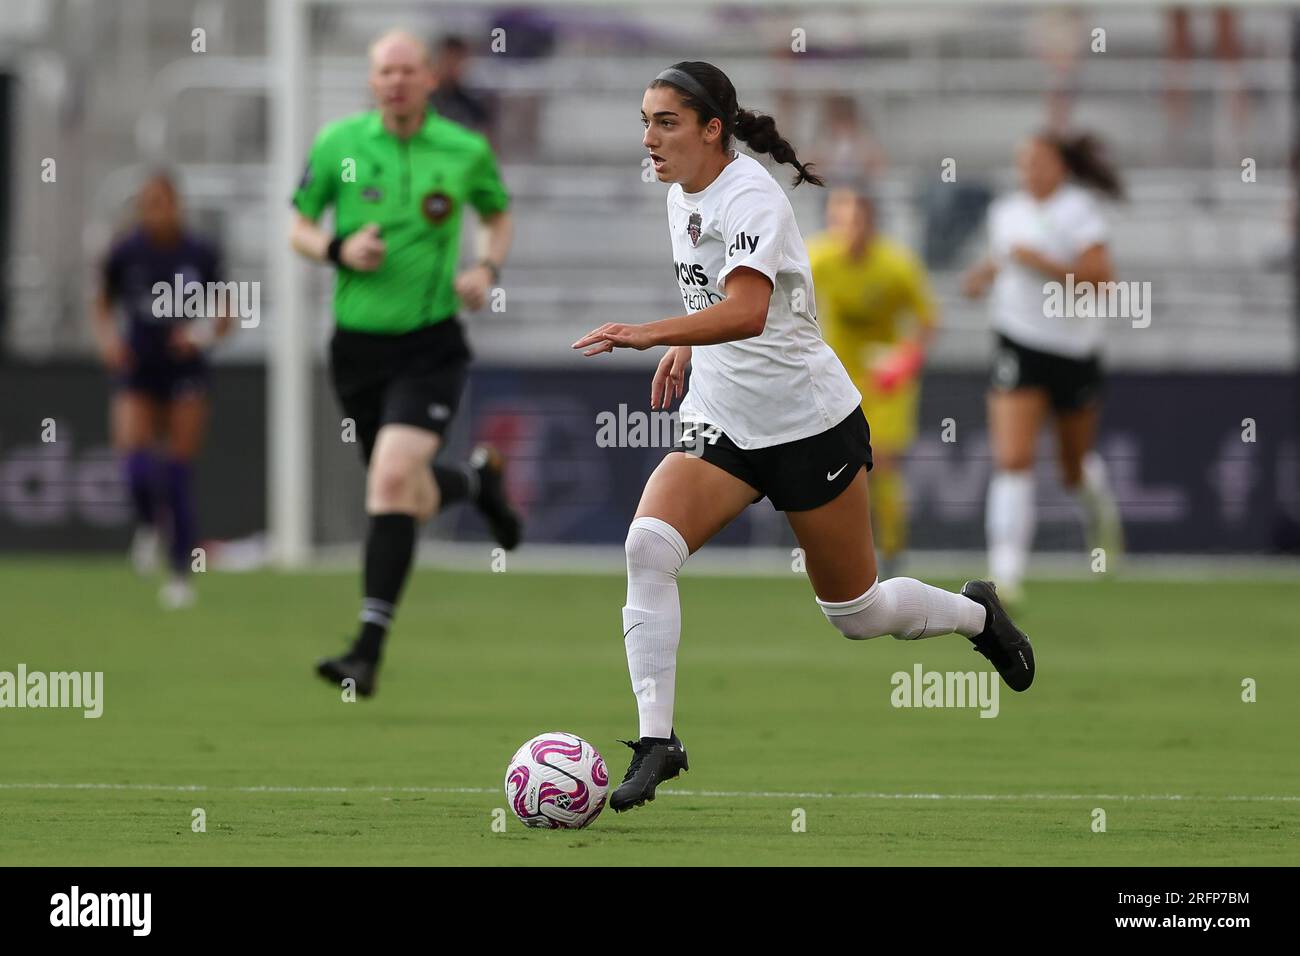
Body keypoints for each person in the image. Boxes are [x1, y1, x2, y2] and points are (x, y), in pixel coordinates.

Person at [572, 61, 1035, 814]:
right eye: (645, 122)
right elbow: (717, 294)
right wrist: (688, 344)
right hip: (724, 419)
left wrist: (647, 333)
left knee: (857, 615)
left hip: (806, 425)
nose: (650, 139)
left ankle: (977, 613)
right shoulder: (680, 193)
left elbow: (751, 310)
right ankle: (658, 741)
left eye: (666, 123)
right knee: (648, 547)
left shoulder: (749, 191)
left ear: (711, 129)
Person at [290, 29, 520, 698]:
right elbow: (296, 225)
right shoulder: (339, 145)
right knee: (406, 493)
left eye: (406, 70)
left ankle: (365, 652)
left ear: (429, 79)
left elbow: (498, 217)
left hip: (429, 344)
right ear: (372, 81)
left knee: (390, 479)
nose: (394, 81)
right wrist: (335, 248)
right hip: (356, 351)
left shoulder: (464, 149)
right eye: (383, 71)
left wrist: (485, 265)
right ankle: (478, 484)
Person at [962, 131, 1125, 605]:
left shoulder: (1079, 211)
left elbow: (1101, 280)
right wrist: (981, 277)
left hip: (1074, 350)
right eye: (1024, 162)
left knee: (1073, 468)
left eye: (1039, 162)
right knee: (1013, 459)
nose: (1030, 171)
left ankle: (1101, 518)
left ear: (1061, 166)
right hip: (1018, 341)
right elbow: (1004, 259)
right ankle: (1004, 575)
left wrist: (1045, 264)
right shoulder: (1005, 212)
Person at [94, 172, 232, 609]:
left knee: (177, 472)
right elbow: (102, 302)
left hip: (184, 371)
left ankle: (179, 576)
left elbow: (227, 312)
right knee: (134, 463)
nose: (157, 211)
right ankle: (149, 524)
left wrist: (201, 336)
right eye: (149, 202)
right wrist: (109, 341)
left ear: (177, 204)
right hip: (138, 369)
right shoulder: (126, 252)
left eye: (164, 202)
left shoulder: (200, 254)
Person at [807, 188, 937, 577]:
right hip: (837, 374)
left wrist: (906, 358)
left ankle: (893, 552)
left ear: (871, 223)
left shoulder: (897, 266)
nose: (847, 229)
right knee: (835, 463)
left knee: (880, 461)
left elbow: (928, 321)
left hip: (886, 378)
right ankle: (839, 550)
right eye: (839, 220)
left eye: (855, 220)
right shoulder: (817, 257)